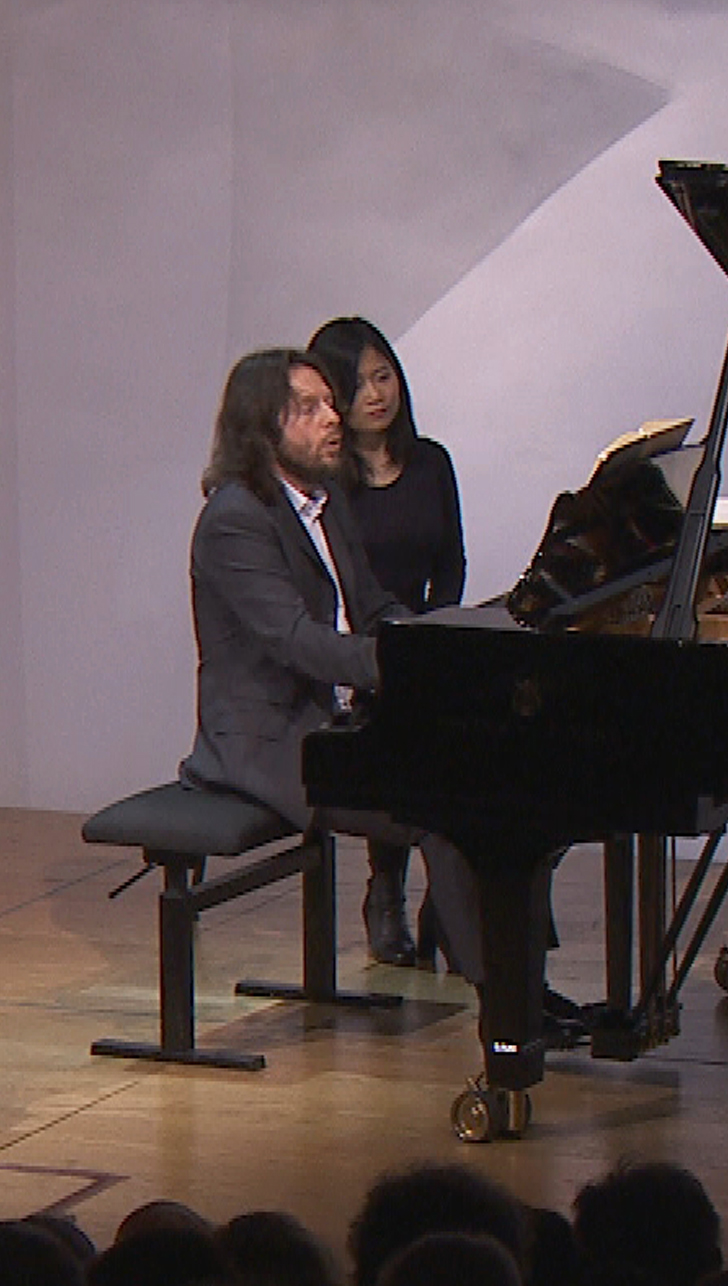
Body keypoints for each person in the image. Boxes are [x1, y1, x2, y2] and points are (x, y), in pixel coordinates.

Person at [181, 346, 482, 980]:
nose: (334, 418)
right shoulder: (233, 520)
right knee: (449, 811)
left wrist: (443, 640)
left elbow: (370, 608)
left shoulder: (325, 499)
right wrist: (412, 666)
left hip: (338, 725)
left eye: (330, 403)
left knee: (492, 786)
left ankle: (511, 977)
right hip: (275, 743)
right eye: (310, 407)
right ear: (263, 426)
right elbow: (299, 642)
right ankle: (502, 999)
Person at [306, 317, 466, 967]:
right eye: (357, 383)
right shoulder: (326, 483)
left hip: (422, 635)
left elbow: (451, 560)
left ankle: (449, 894)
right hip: (358, 653)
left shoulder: (431, 463)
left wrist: (436, 632)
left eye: (383, 376)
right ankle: (389, 891)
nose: (376, 394)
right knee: (398, 723)